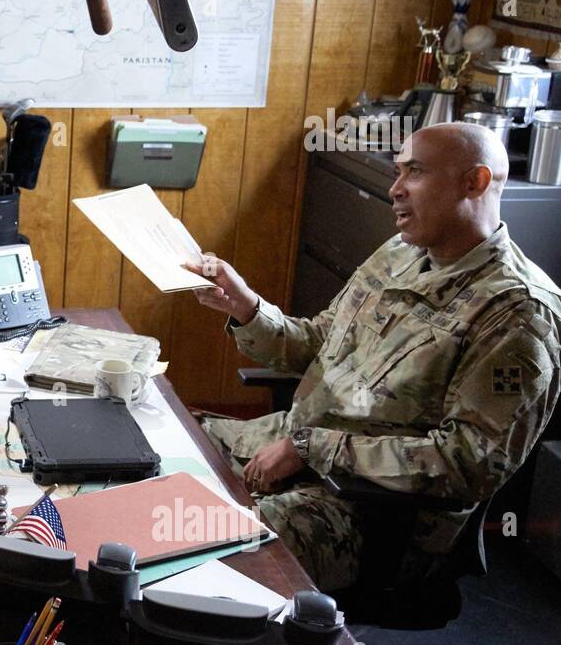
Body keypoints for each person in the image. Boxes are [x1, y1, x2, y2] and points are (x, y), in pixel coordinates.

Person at [187, 123, 561, 591]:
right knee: (149, 456)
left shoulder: (518, 314)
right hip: (288, 452)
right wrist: (246, 308)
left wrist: (314, 448)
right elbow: (318, 340)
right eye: (398, 171)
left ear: (476, 182)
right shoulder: (401, 253)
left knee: (201, 543)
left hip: (369, 515)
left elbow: (465, 465)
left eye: (416, 173)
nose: (395, 189)